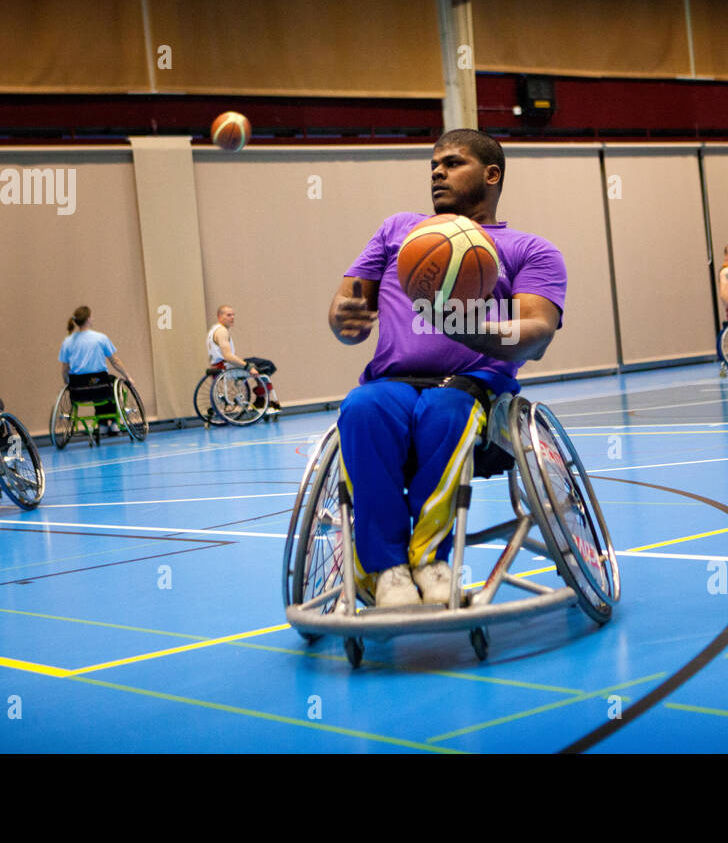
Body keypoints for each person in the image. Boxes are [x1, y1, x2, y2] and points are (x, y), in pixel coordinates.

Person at [328, 128, 566, 608]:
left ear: (491, 175)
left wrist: (465, 329)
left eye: (453, 163)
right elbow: (346, 304)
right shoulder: (398, 229)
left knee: (443, 410)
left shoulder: (530, 250)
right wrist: (342, 318)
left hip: (473, 391)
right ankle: (386, 570)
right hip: (392, 385)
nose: (437, 171)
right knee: (361, 407)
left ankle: (431, 559)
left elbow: (537, 332)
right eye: (434, 165)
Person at [59, 306, 134, 434]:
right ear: (88, 319)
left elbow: (65, 368)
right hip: (100, 383)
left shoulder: (67, 342)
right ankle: (114, 422)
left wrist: (66, 381)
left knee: (93, 386)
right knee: (112, 386)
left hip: (78, 388)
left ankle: (102, 423)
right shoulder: (101, 338)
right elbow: (115, 361)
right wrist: (128, 376)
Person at [206, 305, 281, 416]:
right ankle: (261, 400)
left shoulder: (213, 331)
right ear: (219, 316)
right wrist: (248, 366)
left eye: (233, 315)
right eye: (228, 315)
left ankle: (261, 400)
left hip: (219, 366)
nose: (232, 317)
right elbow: (228, 356)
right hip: (227, 366)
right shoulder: (222, 332)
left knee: (257, 361)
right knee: (267, 366)